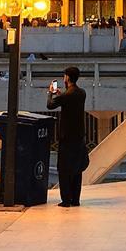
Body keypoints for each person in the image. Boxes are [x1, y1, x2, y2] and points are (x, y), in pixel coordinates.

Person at [47, 66, 88, 207]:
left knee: (64, 170)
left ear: (68, 78)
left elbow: (50, 106)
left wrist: (50, 93)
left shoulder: (65, 96)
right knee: (77, 169)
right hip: (79, 137)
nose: (63, 79)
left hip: (66, 138)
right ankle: (75, 199)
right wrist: (61, 94)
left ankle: (66, 200)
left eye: (64, 76)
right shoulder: (82, 93)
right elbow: (69, 98)